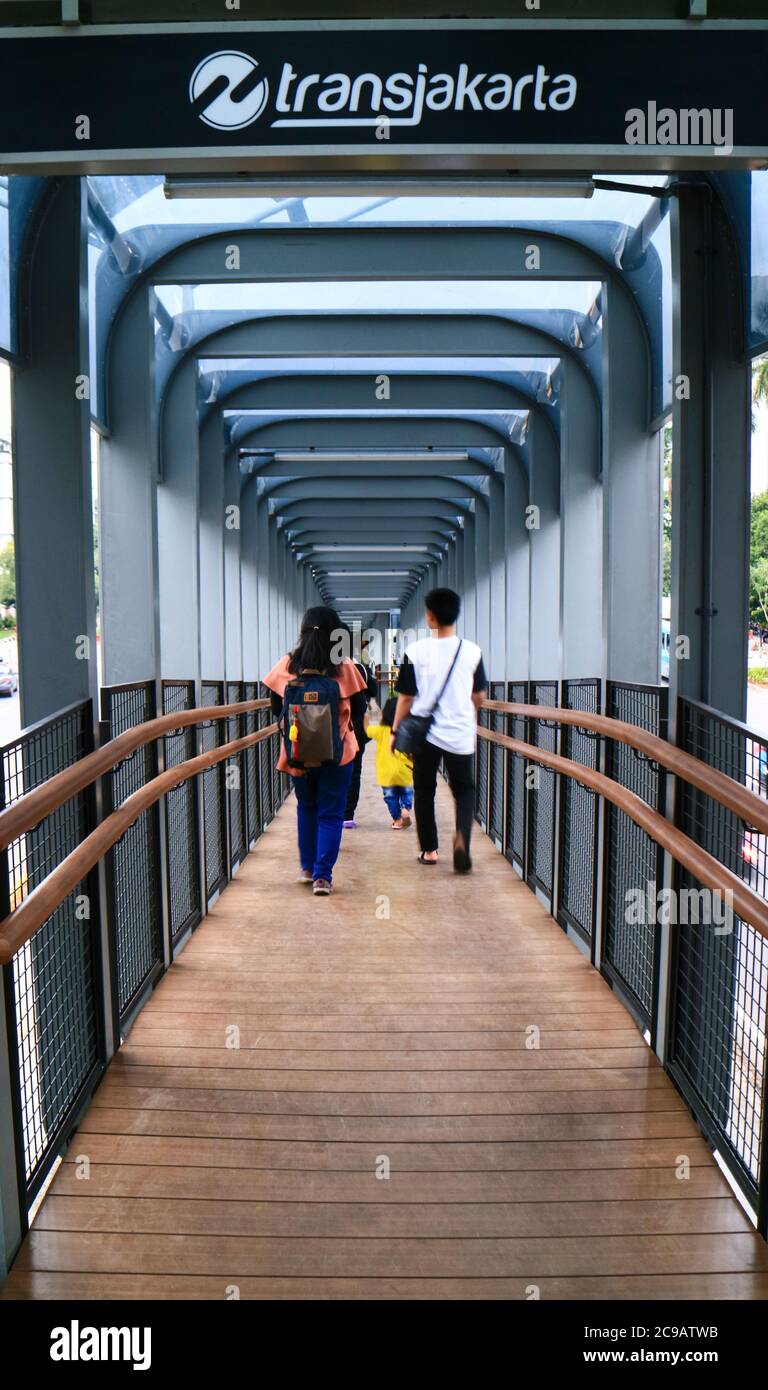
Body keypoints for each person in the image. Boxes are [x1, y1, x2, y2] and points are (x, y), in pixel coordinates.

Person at [263, 606, 368, 895]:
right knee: (332, 813)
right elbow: (359, 710)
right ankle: (323, 877)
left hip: (298, 751)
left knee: (307, 807)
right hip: (338, 753)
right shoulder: (343, 666)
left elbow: (275, 708)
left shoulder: (287, 664)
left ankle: (307, 868)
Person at [391, 588, 486, 873]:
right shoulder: (472, 651)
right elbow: (479, 695)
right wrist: (467, 712)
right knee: (464, 790)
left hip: (424, 734)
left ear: (431, 616)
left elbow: (406, 698)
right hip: (459, 731)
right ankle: (462, 840)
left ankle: (430, 850)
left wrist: (395, 730)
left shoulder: (415, 651)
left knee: (424, 790)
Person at [342, 632, 378, 829]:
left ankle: (331, 811)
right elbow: (372, 691)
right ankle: (347, 815)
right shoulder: (359, 668)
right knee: (354, 770)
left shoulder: (325, 666)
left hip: (328, 725)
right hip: (355, 724)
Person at [366, 696, 414, 829]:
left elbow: (368, 730)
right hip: (405, 771)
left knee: (390, 797)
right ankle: (405, 809)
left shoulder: (381, 731)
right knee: (407, 792)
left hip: (386, 773)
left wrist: (365, 719)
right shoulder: (408, 730)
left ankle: (397, 820)